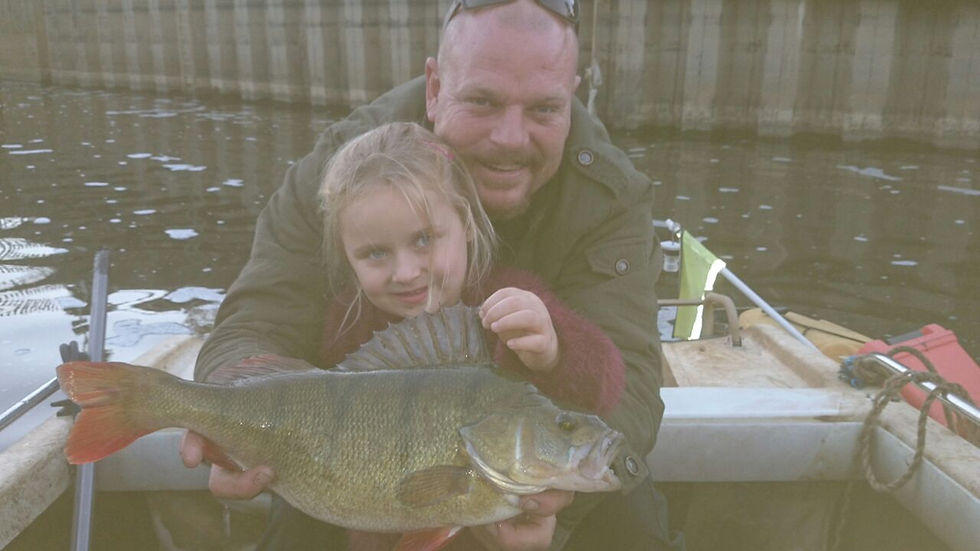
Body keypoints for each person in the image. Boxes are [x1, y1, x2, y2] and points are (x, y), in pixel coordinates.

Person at [181, 1, 681, 549]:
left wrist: (554, 504)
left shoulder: (612, 195)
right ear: (435, 86)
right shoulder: (343, 168)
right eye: (483, 102)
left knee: (633, 522)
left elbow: (628, 381)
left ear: (573, 97)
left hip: (517, 458)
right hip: (343, 461)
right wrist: (225, 415)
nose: (511, 138)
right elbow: (258, 315)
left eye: (544, 109)